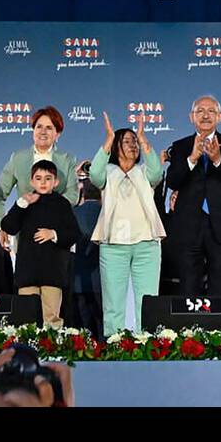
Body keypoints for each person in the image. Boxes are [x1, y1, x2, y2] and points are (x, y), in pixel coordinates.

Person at [90, 112, 165, 334]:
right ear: (115, 147)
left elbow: (157, 173)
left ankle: (147, 344)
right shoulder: (108, 172)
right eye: (127, 141)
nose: (133, 145)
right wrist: (109, 139)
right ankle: (114, 345)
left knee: (148, 301)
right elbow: (94, 174)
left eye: (135, 142)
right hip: (113, 245)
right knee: (113, 302)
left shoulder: (144, 172)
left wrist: (143, 138)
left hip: (146, 244)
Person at [165, 95, 221, 295]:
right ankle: (190, 327)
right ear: (191, 117)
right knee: (189, 285)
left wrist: (218, 160)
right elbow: (173, 181)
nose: (206, 115)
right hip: (188, 226)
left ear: (219, 117)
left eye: (211, 111)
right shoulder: (180, 146)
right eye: (200, 111)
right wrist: (191, 158)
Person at [0, 162, 80, 328]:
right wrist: (22, 204)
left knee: (51, 318)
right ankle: (26, 352)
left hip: (53, 273)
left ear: (55, 182)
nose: (43, 182)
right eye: (38, 178)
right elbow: (8, 226)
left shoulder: (62, 204)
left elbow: (74, 234)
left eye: (48, 178)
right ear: (31, 182)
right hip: (27, 273)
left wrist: (53, 234)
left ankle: (51, 351)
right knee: (26, 318)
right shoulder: (25, 203)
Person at [0, 106, 79, 247]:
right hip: (26, 237)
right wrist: (1, 227)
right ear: (33, 130)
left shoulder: (67, 159)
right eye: (39, 127)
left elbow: (73, 194)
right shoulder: (18, 158)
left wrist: (51, 210)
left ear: (57, 134)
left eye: (49, 128)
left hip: (57, 235)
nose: (43, 132)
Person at [72, 179, 104, 337]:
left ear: (82, 193)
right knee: (102, 331)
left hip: (77, 281)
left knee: (81, 334)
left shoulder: (73, 213)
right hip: (103, 282)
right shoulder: (108, 212)